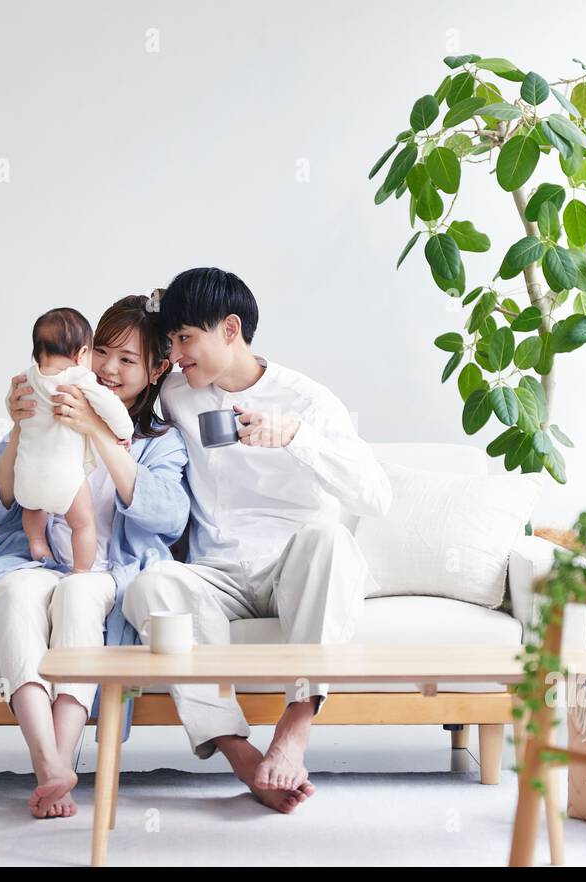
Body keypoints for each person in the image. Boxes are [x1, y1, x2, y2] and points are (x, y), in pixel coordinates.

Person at [122, 267, 392, 814]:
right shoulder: (177, 392)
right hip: (217, 572)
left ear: (230, 328)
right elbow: (118, 379)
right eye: (170, 342)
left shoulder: (307, 400)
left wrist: (296, 438)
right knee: (151, 585)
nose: (174, 354)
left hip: (291, 565)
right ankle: (240, 752)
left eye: (184, 339)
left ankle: (295, 728)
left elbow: (376, 496)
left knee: (333, 541)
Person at [0, 293, 189, 818]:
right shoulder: (45, 413)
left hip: (108, 570)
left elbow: (169, 520)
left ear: (156, 370)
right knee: (13, 594)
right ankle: (48, 765)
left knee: (79, 598)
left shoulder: (162, 442)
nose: (108, 369)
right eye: (102, 351)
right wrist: (19, 428)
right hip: (35, 560)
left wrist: (97, 432)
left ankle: (61, 760)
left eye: (127, 361)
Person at [14, 307, 135, 571]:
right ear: (81, 354)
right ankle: (81, 571)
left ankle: (36, 540)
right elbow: (109, 405)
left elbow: (12, 405)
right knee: (83, 523)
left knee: (33, 508)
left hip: (26, 474)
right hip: (64, 477)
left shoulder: (26, 378)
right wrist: (124, 432)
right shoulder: (77, 377)